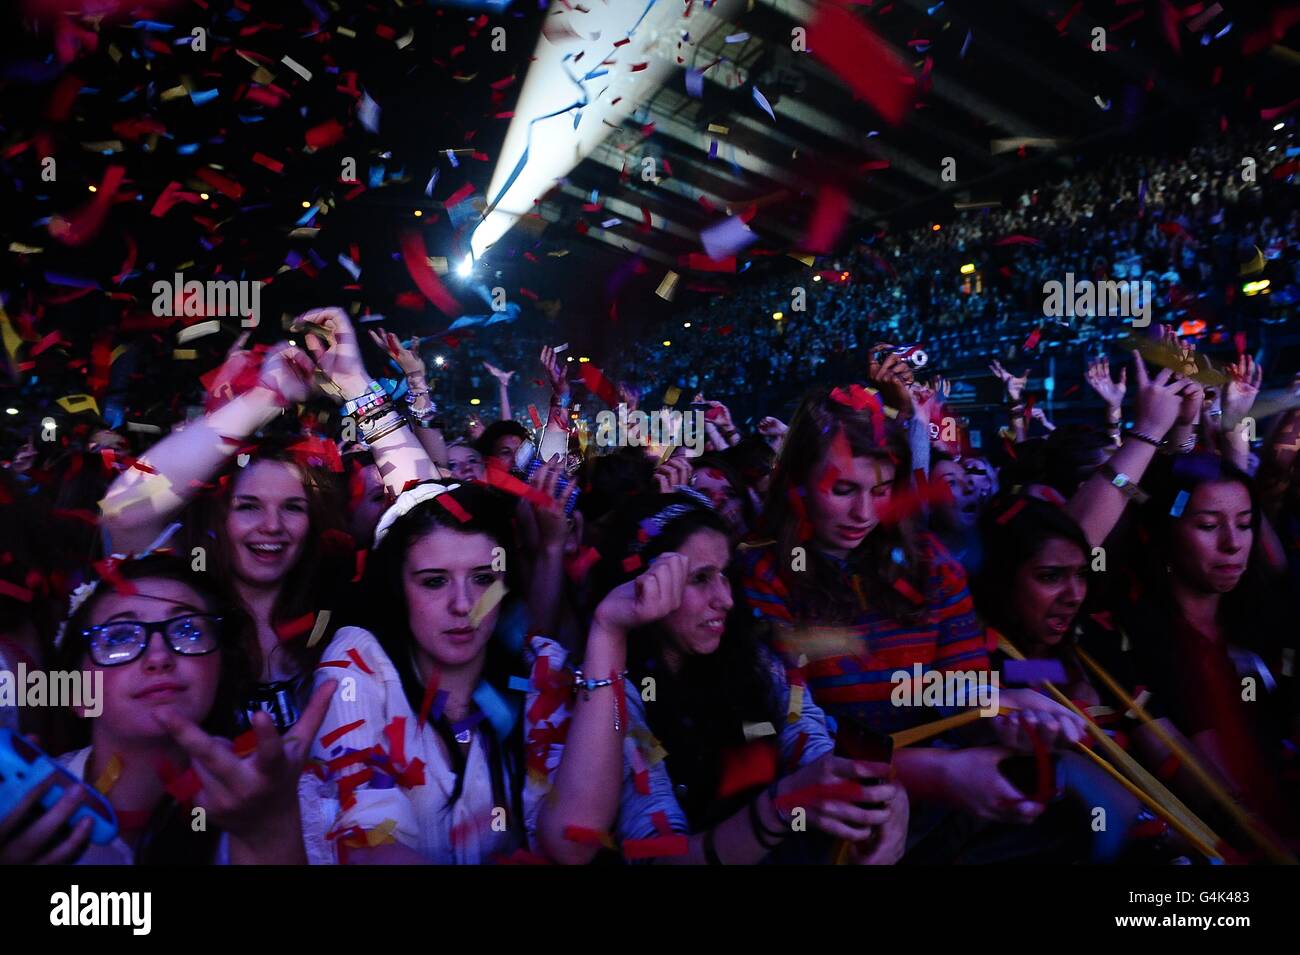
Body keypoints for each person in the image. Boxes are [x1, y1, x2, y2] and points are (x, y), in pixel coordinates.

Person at [525, 491, 908, 865]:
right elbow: (659, 848)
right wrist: (780, 806)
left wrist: (873, 797)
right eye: (700, 579)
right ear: (643, 587)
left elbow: (803, 729)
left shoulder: (752, 655)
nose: (724, 598)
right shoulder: (614, 695)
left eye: (725, 575)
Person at [99, 309, 437, 730]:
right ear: (219, 515)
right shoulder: (181, 606)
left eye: (293, 507)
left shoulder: (343, 603)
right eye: (249, 506)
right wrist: (267, 395)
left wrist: (356, 385)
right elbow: (123, 509)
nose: (272, 526)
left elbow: (433, 516)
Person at [0, 555, 333, 865]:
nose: (159, 657)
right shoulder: (19, 806)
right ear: (78, 693)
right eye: (119, 638)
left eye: (187, 630)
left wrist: (269, 833)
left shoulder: (280, 803)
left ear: (219, 672)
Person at [307, 482, 528, 864]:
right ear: (398, 587)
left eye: (483, 578)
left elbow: (574, 839)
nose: (464, 605)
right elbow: (368, 844)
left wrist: (608, 632)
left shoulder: (538, 670)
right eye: (434, 581)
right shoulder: (357, 662)